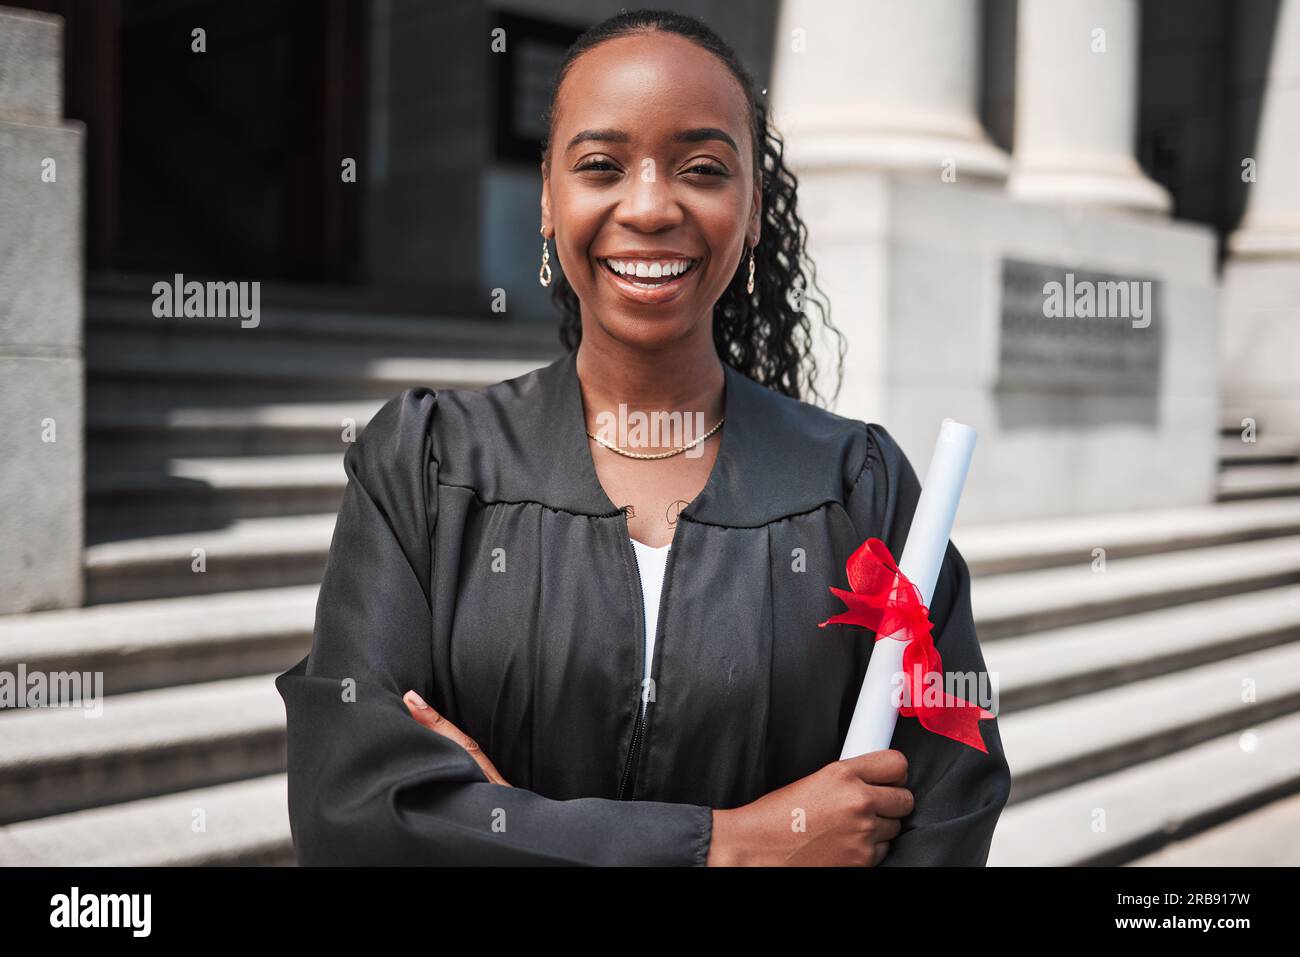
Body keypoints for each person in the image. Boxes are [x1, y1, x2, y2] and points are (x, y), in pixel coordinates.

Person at [275, 8, 1011, 866]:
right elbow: (354, 809)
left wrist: (501, 820)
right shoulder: (427, 464)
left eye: (702, 167)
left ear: (755, 209)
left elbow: (946, 815)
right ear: (549, 199)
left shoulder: (862, 488)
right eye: (600, 166)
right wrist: (732, 845)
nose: (652, 205)